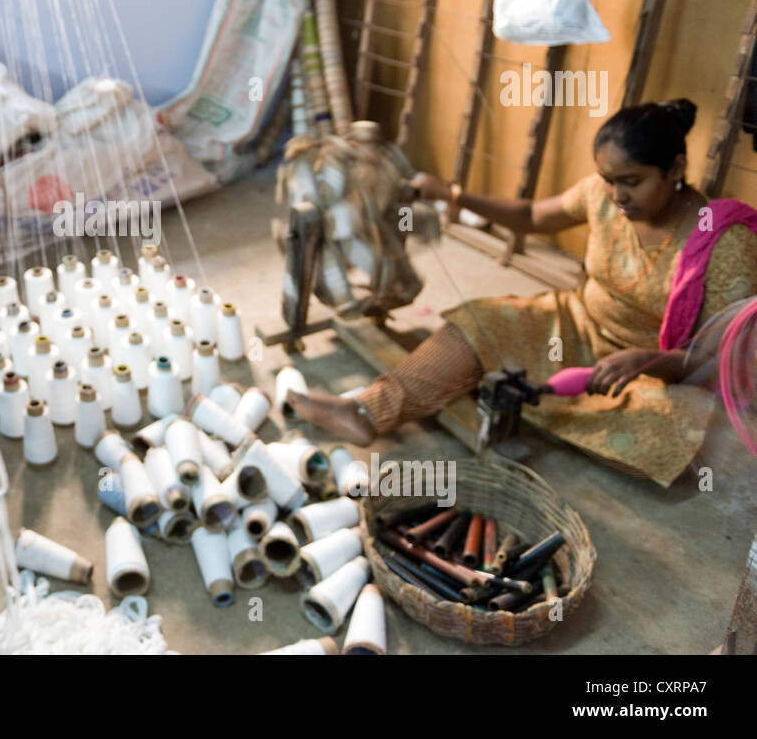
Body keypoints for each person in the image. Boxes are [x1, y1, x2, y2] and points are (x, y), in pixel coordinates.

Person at [287, 99, 757, 487]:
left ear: (675, 168)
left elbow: (722, 358)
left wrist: (645, 360)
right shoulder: (601, 194)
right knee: (480, 321)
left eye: (631, 182)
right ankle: (365, 411)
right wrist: (453, 195)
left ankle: (543, 401)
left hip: (653, 370)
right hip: (575, 321)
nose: (617, 196)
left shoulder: (724, 240)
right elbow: (533, 215)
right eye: (610, 181)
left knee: (675, 435)